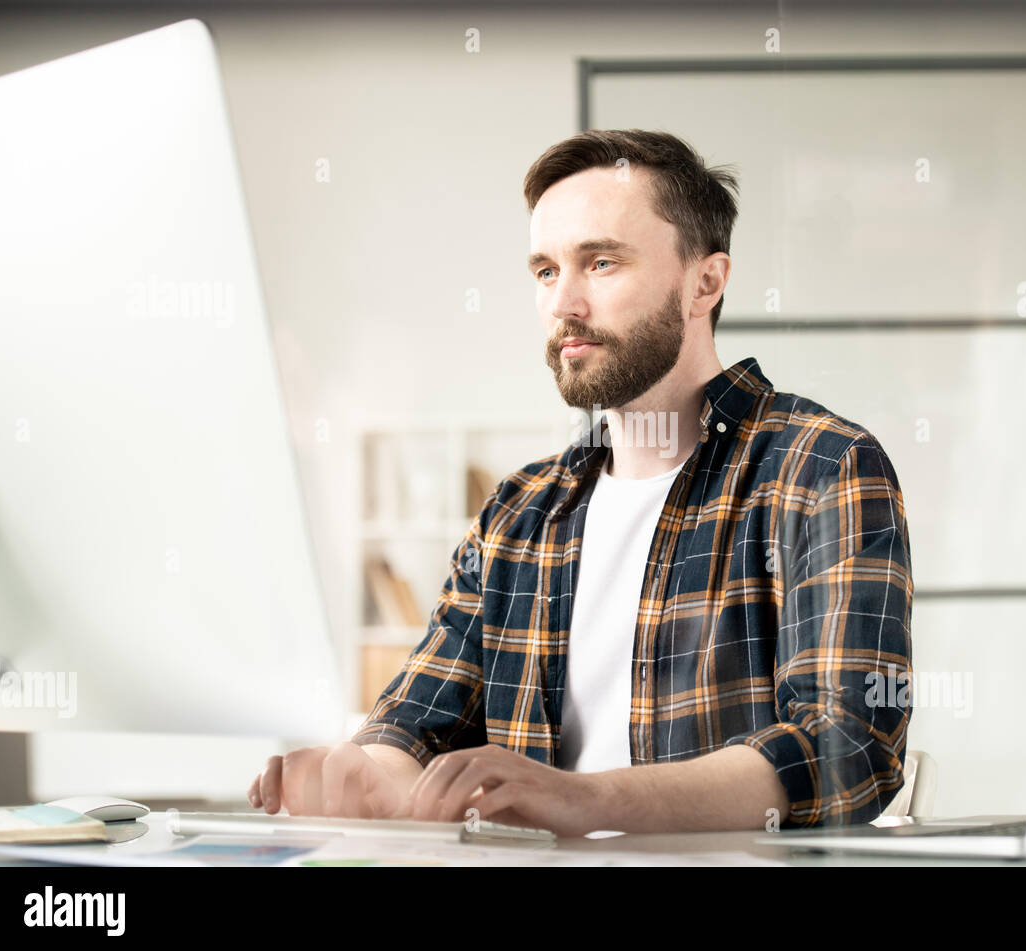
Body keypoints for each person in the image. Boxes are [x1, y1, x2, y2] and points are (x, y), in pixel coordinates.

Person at [247, 129, 914, 836]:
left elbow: (848, 751)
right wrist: (360, 774)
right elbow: (417, 728)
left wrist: (583, 799)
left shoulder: (822, 468)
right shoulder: (519, 511)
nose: (564, 303)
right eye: (544, 271)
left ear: (705, 282)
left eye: (599, 263)